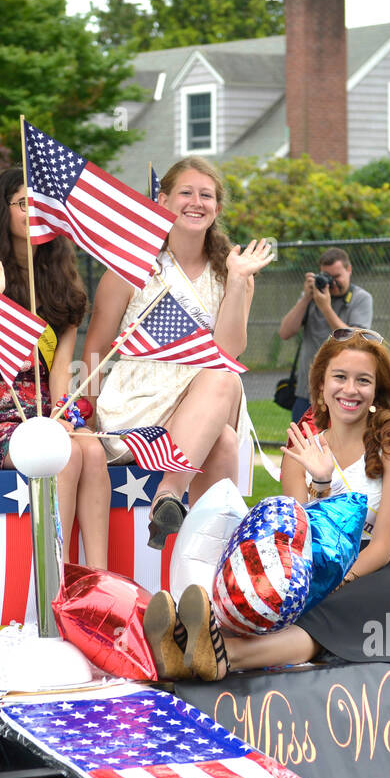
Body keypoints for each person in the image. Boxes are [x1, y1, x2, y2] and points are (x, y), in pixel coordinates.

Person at [145, 329, 390, 681]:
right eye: (340, 377)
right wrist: (320, 482)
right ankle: (192, 642)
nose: (350, 389)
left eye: (363, 381)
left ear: (376, 390)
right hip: (317, 561)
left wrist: (332, 585)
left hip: (385, 568)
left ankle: (227, 655)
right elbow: (300, 542)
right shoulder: (301, 452)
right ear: (320, 387)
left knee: (332, 608)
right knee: (272, 593)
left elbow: (382, 546)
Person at [83, 156, 272, 549]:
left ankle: (186, 533)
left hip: (201, 402)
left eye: (207, 195)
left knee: (222, 407)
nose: (196, 202)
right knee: (222, 393)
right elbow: (96, 348)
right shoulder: (130, 267)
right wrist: (85, 415)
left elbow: (228, 351)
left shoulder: (233, 271)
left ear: (217, 208)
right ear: (163, 200)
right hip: (136, 409)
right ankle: (176, 504)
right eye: (186, 192)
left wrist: (237, 283)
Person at [0, 167, 110, 567]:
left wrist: (62, 415)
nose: (34, 212)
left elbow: (61, 372)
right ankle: (53, 576)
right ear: (3, 212)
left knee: (90, 450)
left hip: (43, 409)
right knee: (65, 454)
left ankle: (95, 576)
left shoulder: (63, 283)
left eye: (42, 204)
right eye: (24, 203)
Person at [277, 248, 373, 423]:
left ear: (349, 270)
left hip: (342, 395)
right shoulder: (314, 296)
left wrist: (325, 308)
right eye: (326, 276)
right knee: (302, 446)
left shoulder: (361, 299)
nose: (332, 283)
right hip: (307, 393)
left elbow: (355, 340)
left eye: (336, 277)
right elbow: (285, 332)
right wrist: (306, 297)